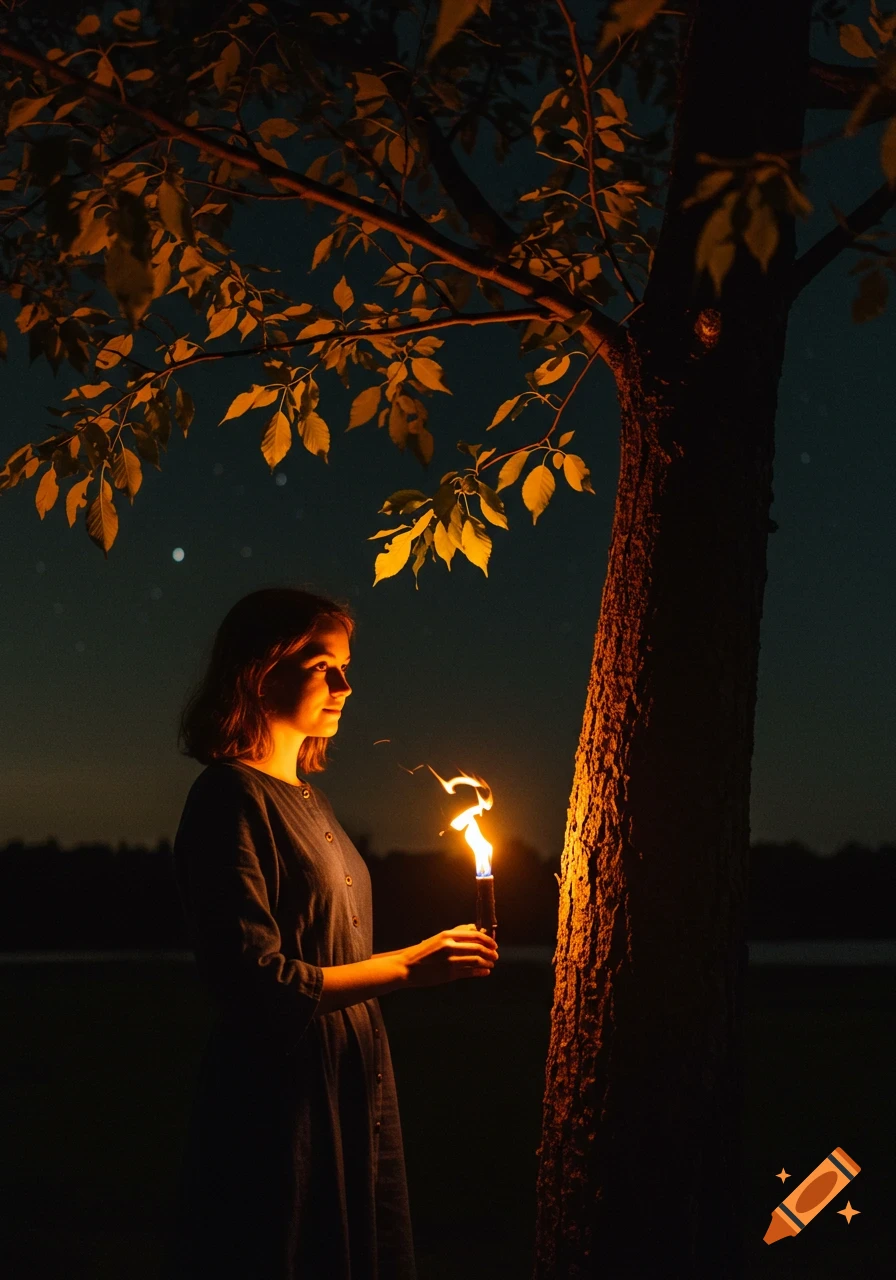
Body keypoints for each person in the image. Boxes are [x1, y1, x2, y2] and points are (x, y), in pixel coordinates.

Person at [161, 586, 499, 1280]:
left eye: (346, 665)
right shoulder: (230, 798)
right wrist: (407, 967)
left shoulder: (311, 799)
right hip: (280, 1101)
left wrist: (422, 960)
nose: (346, 685)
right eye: (323, 665)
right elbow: (255, 981)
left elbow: (328, 947)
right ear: (260, 670)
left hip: (351, 1082)